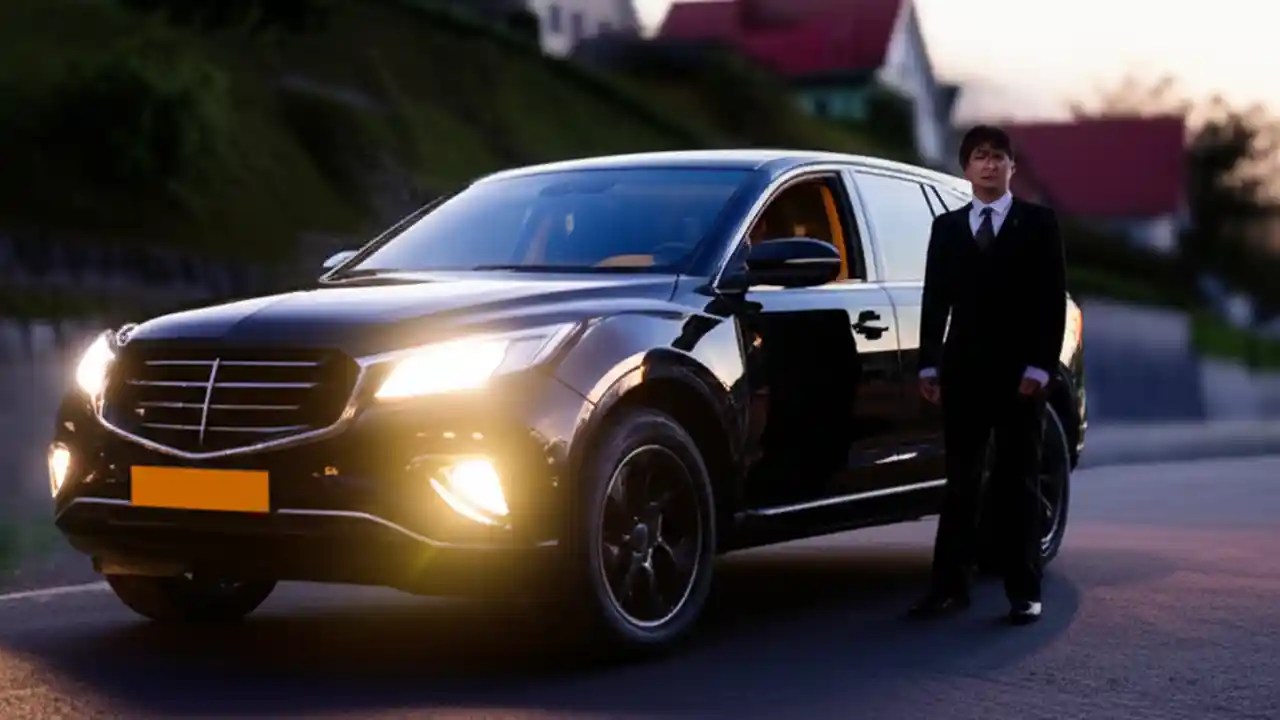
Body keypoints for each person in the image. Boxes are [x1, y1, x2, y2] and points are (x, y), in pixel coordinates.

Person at [909, 125, 1067, 625]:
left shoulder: (1038, 224)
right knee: (960, 482)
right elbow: (935, 300)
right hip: (964, 373)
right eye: (980, 156)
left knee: (1017, 481)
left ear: (1012, 168)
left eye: (999, 157)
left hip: (1021, 375)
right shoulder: (948, 228)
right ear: (966, 168)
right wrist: (929, 363)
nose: (990, 165)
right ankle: (948, 587)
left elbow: (1051, 301)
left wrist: (1041, 366)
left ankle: (1025, 591)